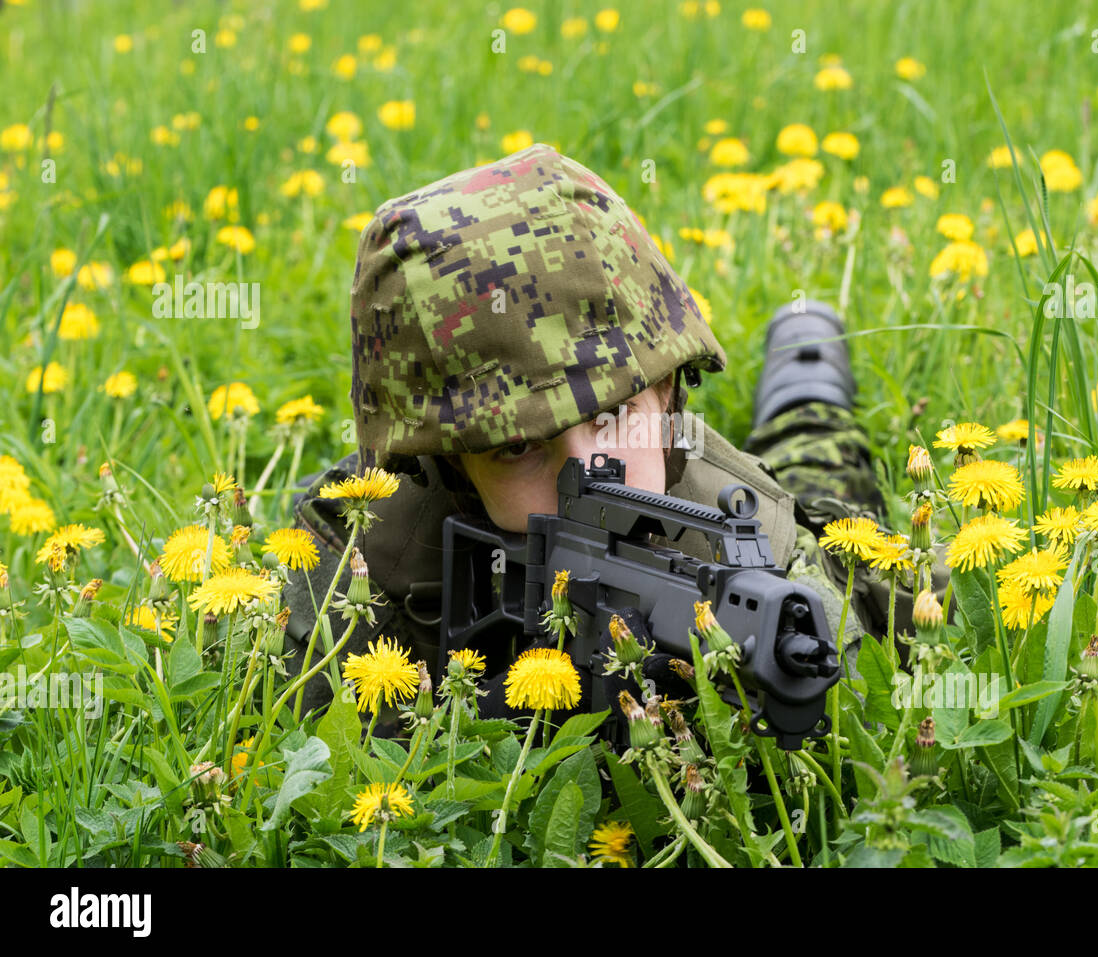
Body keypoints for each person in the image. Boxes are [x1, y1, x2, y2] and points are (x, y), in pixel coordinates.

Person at [280, 143, 943, 729]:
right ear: (444, 464)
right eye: (518, 447)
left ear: (666, 386)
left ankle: (808, 368)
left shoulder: (763, 560)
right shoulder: (361, 566)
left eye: (610, 415)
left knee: (817, 467)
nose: (587, 474)